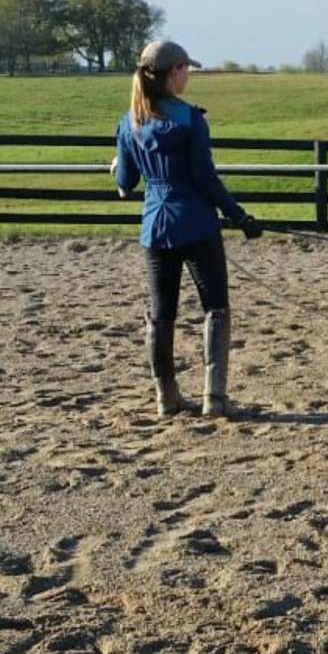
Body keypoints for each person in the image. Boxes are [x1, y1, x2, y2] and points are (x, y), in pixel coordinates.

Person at [113, 39, 262, 419]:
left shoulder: (129, 122)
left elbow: (126, 183)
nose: (188, 77)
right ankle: (215, 398)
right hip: (196, 223)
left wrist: (116, 168)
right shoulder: (191, 120)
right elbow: (206, 179)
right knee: (216, 307)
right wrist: (239, 216)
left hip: (155, 228)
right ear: (174, 71)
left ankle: (166, 397)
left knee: (162, 313)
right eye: (186, 70)